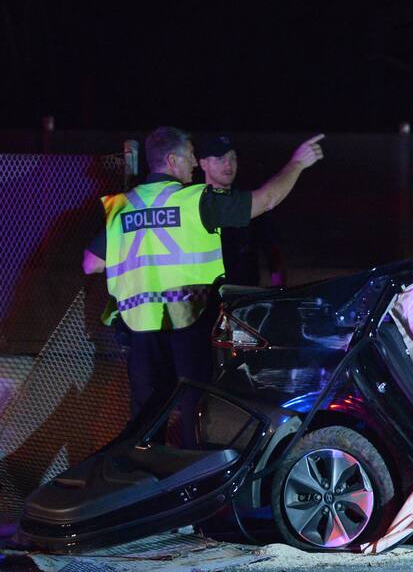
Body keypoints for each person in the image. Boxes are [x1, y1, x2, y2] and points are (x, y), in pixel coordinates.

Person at [82, 126, 325, 426]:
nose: (195, 164)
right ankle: (191, 468)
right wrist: (297, 163)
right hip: (188, 322)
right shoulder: (195, 200)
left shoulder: (122, 206)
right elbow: (266, 200)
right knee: (193, 414)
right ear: (172, 160)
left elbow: (91, 263)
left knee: (145, 420)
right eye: (189, 157)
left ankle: (142, 470)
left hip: (139, 328)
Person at [195, 133, 286, 287]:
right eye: (220, 159)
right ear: (203, 164)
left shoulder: (250, 203)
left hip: (244, 295)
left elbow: (270, 247)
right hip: (206, 296)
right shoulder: (192, 203)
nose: (228, 165)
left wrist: (279, 284)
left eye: (233, 158)